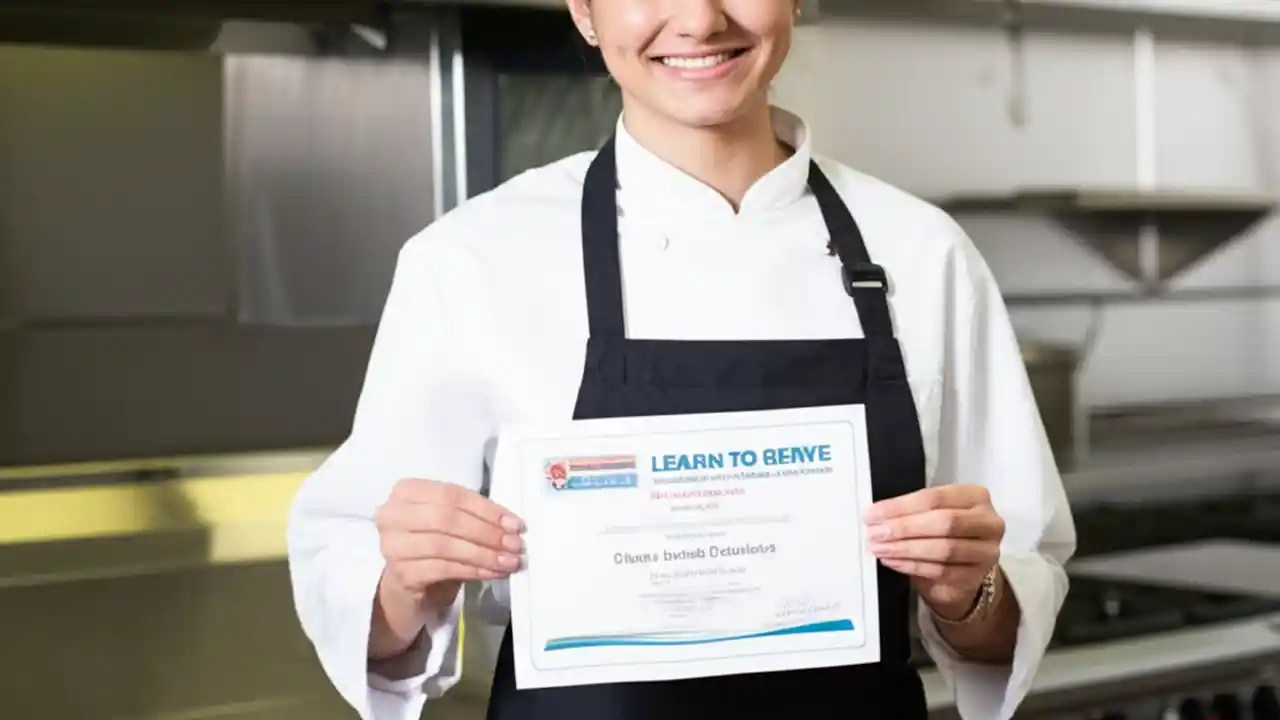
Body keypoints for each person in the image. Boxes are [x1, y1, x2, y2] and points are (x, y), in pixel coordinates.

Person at [286, 1, 1076, 718]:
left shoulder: (924, 250)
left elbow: (1004, 626)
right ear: (585, 12)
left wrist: (965, 589)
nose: (699, 20)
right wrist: (408, 577)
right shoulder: (470, 261)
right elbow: (374, 631)